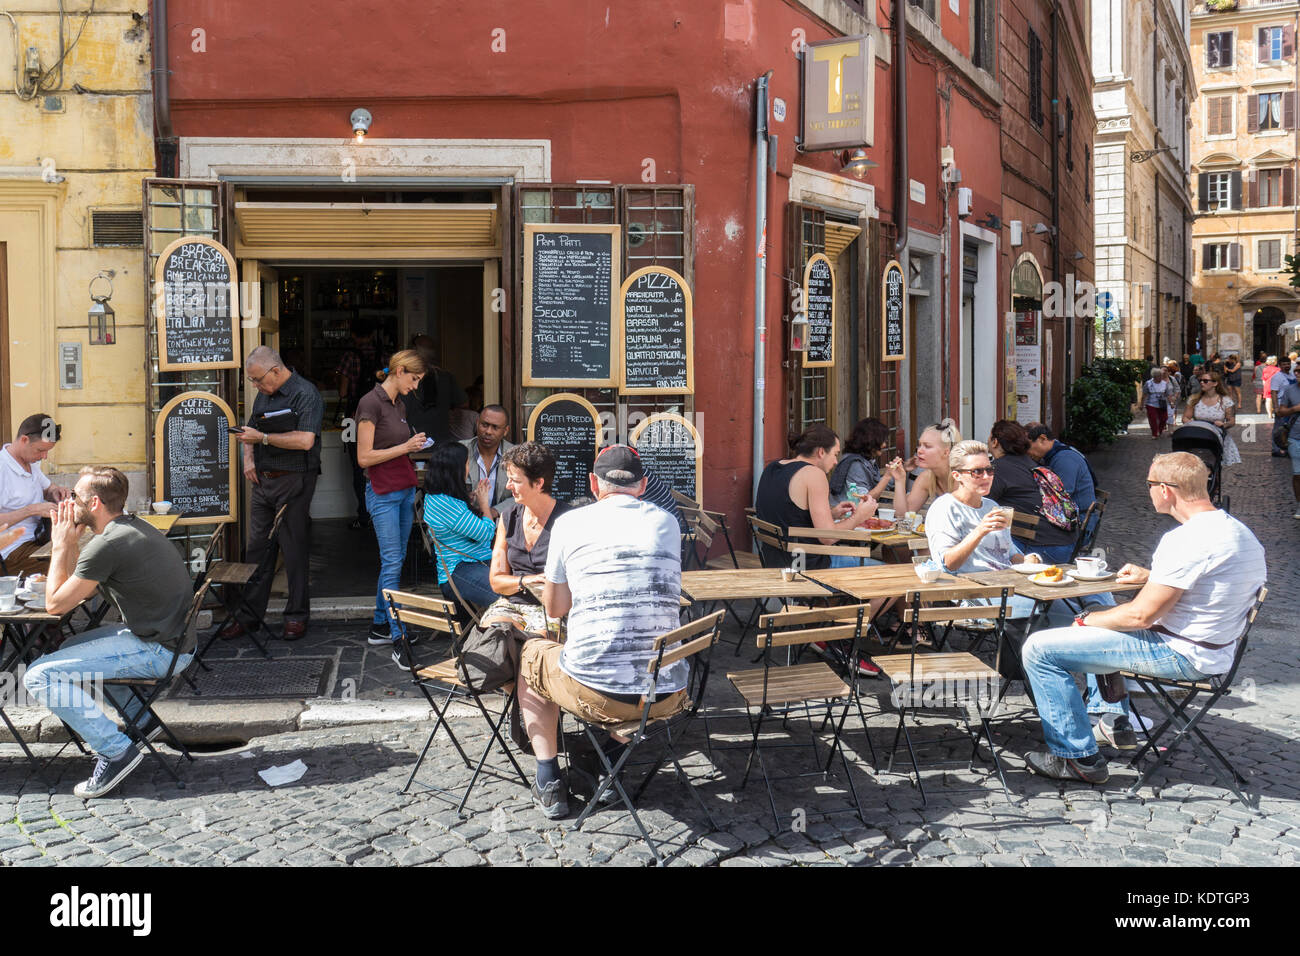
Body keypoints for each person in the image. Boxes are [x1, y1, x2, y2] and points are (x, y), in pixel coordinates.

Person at [1019, 453, 1265, 784]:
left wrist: (1089, 620)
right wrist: (1153, 576)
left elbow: (1140, 615)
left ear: (1165, 490)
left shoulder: (1186, 539)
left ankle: (1076, 758)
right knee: (1096, 622)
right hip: (1214, 650)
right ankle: (1109, 719)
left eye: (1149, 485)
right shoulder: (1239, 532)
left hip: (1179, 652)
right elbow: (1209, 583)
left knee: (1038, 648)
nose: (1148, 491)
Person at [518, 445, 687, 818]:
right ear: (642, 486)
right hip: (666, 694)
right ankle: (606, 763)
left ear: (594, 484)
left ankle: (548, 778)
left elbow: (555, 609)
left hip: (599, 696)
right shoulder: (668, 523)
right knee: (639, 655)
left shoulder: (569, 523)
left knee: (533, 653)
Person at [25, 467, 194, 798]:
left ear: (95, 503)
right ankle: (138, 718)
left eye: (74, 496)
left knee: (37, 676)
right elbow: (78, 589)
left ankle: (116, 750)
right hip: (170, 640)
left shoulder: (107, 545)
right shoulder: (127, 528)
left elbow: (56, 605)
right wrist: (71, 541)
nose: (69, 501)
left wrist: (60, 544)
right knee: (72, 645)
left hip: (159, 650)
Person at [221, 346, 324, 642]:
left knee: (293, 550)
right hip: (263, 481)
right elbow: (249, 430)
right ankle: (249, 617)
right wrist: (249, 458)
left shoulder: (306, 394)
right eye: (252, 381)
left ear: (276, 371)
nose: (255, 386)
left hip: (295, 479)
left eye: (257, 380)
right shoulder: (264, 393)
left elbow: (306, 441)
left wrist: (263, 438)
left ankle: (296, 617)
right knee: (257, 550)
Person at [356, 350, 428, 646]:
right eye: (414, 379)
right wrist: (405, 446)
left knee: (394, 561)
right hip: (383, 491)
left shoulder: (399, 404)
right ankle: (398, 633)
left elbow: (392, 447)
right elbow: (364, 457)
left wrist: (412, 446)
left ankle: (379, 626)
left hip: (402, 487)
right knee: (392, 562)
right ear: (399, 371)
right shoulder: (370, 403)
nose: (416, 386)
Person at [754, 425, 880, 570]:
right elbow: (827, 537)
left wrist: (831, 514)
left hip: (774, 564)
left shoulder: (772, 467)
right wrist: (859, 516)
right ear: (821, 452)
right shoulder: (813, 474)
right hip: (806, 568)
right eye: (835, 454)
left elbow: (788, 515)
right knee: (889, 573)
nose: (836, 462)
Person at [482, 442, 571, 638]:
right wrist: (529, 581)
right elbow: (496, 581)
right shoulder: (507, 518)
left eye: (515, 480)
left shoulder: (569, 521)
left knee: (536, 646)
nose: (508, 486)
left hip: (552, 610)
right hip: (511, 605)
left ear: (538, 483)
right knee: (493, 637)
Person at [420, 441, 497, 641]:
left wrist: (470, 503)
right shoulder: (446, 504)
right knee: (508, 596)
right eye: (466, 463)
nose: (468, 467)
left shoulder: (440, 497)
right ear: (455, 469)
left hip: (471, 563)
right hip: (460, 571)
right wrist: (484, 505)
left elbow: (459, 522)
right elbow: (486, 533)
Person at [987, 420, 1078, 563]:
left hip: (1040, 549)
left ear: (995, 442)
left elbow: (978, 505)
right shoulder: (1034, 464)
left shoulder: (997, 469)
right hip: (1067, 544)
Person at [0, 413, 71, 576]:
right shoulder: (2, 469)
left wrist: (56, 492)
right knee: (73, 570)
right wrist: (31, 510)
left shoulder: (30, 463)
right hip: (11, 551)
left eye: (47, 452)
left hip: (39, 541)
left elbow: (48, 488)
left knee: (84, 557)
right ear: (24, 440)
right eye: (41, 450)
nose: (44, 457)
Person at [336, 322, 380, 530]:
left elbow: (343, 392)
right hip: (382, 419)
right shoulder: (385, 356)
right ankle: (380, 515)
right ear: (372, 334)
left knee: (358, 466)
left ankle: (363, 515)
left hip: (355, 417)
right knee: (381, 464)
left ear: (353, 334)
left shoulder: (349, 357)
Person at [1026, 422, 1097, 532]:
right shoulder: (1055, 454)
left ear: (1042, 439)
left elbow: (1060, 497)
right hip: (1069, 518)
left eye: (1028, 446)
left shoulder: (1064, 459)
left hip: (1079, 525)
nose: (1027, 452)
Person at [886, 419, 962, 515]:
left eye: (927, 446)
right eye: (919, 445)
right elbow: (902, 516)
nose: (919, 451)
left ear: (946, 452)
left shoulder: (962, 479)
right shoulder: (927, 477)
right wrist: (899, 480)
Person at [402, 333, 466, 444]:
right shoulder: (445, 376)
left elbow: (463, 403)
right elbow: (463, 404)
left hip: (416, 440)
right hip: (433, 440)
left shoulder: (403, 376)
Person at [828, 417, 894, 507]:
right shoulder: (855, 465)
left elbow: (879, 487)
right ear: (871, 441)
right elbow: (863, 500)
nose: (884, 445)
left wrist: (901, 470)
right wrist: (887, 476)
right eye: (882, 441)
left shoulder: (867, 460)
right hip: (845, 516)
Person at [1182, 368, 1240, 467]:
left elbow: (1231, 420)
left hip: (1215, 435)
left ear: (1215, 383)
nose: (1201, 383)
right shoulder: (1194, 399)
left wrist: (1224, 425)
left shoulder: (1225, 401)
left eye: (1205, 381)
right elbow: (1185, 417)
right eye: (1200, 380)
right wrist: (1191, 423)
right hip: (1198, 434)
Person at [460, 405, 515, 510]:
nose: (488, 431)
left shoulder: (515, 456)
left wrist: (495, 511)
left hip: (501, 521)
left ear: (505, 431)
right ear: (477, 423)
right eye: (484, 425)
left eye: (495, 427)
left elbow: (523, 495)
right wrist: (463, 498)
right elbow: (444, 490)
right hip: (465, 521)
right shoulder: (461, 451)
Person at [1275, 372, 1300, 519]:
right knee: (1298, 475)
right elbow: (1281, 411)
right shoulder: (1290, 390)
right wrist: (1294, 409)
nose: (1297, 373)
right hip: (1295, 438)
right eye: (1296, 371)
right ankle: (1299, 505)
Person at [1140, 367, 1173, 439]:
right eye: (1159, 376)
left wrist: (1171, 403)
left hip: (1162, 404)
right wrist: (1142, 405)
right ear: (1155, 376)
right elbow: (1144, 395)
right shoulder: (1148, 383)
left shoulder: (1164, 384)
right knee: (1153, 419)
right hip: (1151, 404)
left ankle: (1159, 430)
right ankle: (1154, 434)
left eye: (1161, 375)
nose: (1161, 377)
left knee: (1164, 418)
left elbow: (1168, 394)